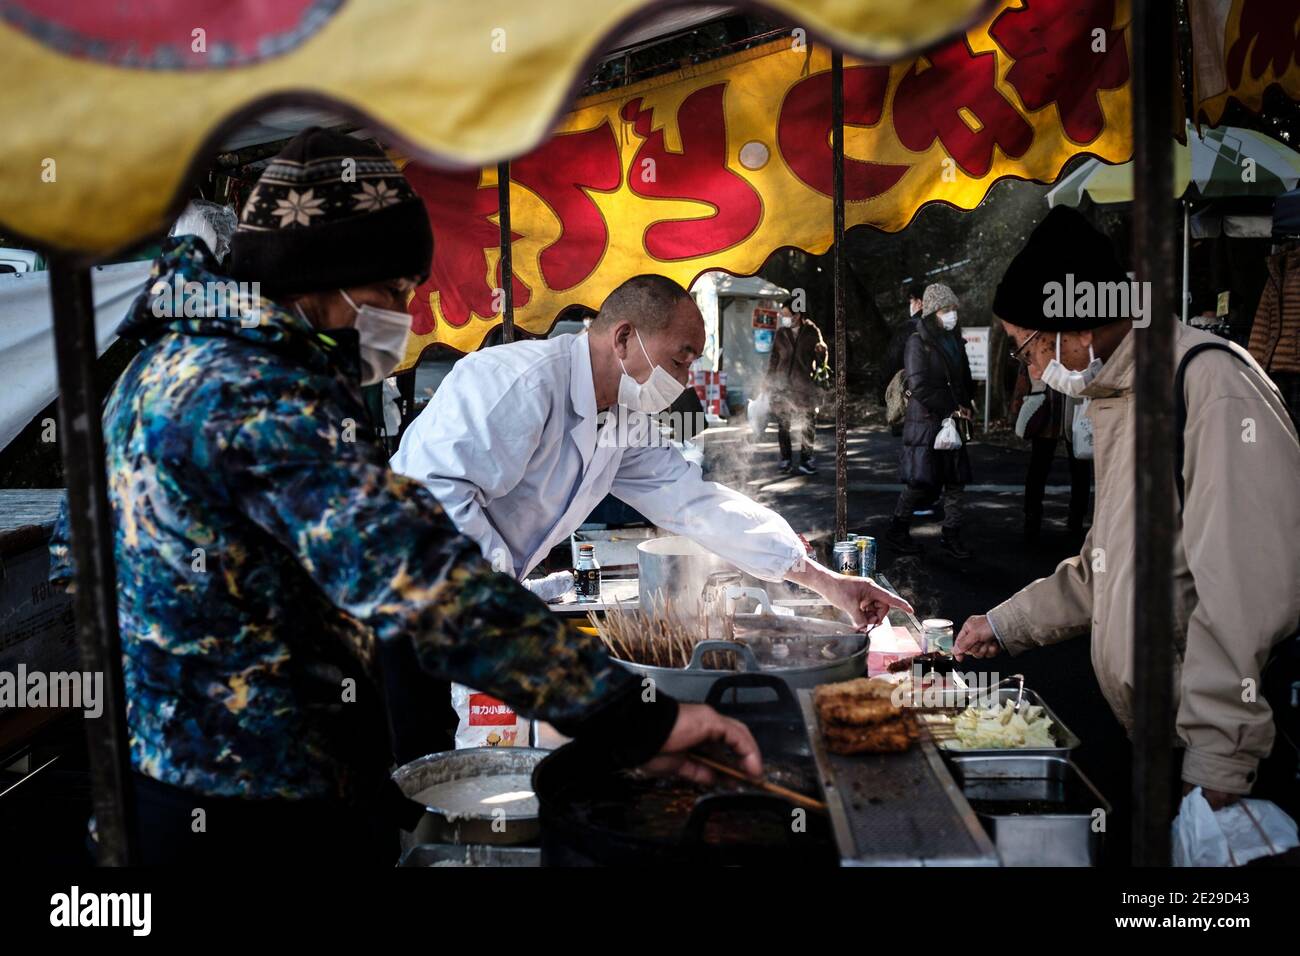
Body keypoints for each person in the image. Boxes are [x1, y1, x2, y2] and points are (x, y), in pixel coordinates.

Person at [48, 128, 761, 866]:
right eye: (391, 293)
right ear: (320, 281)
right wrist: (632, 717)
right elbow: (418, 578)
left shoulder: (158, 368)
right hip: (253, 804)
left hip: (160, 769)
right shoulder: (255, 393)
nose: (404, 317)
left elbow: (77, 560)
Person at [955, 206, 1300, 820]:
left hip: (1214, 762)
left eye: (1025, 348)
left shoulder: (1211, 387)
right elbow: (1103, 567)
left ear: (1076, 326)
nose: (1030, 369)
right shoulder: (1120, 396)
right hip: (1158, 735)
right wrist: (1004, 624)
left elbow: (1246, 591)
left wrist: (1221, 762)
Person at [392, 275, 910, 627]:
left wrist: (825, 582)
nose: (685, 380)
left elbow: (693, 502)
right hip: (405, 601)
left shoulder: (621, 418)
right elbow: (428, 497)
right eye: (681, 360)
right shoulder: (518, 385)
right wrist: (503, 600)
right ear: (623, 339)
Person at [883, 283, 976, 560]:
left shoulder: (954, 339)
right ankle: (898, 529)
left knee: (956, 481)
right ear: (934, 311)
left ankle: (951, 534)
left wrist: (967, 403)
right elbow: (919, 385)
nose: (952, 315)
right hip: (926, 422)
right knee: (921, 481)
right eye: (947, 310)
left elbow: (964, 377)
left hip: (954, 420)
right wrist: (952, 407)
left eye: (954, 310)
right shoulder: (917, 341)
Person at [1009, 362, 1091, 542]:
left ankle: (1075, 519)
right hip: (1046, 413)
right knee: (1040, 468)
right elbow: (1024, 372)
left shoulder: (1078, 342)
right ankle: (1033, 518)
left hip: (1075, 412)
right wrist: (1016, 408)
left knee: (1079, 468)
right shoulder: (1041, 341)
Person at [1247, 188, 1300, 427]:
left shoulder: (1280, 270)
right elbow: (1263, 321)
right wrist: (1253, 366)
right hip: (1276, 368)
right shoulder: (1278, 269)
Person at [767, 304, 826, 474]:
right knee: (783, 424)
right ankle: (786, 459)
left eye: (786, 315)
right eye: (782, 314)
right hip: (783, 385)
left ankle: (806, 460)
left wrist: (822, 352)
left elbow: (822, 359)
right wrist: (768, 380)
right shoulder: (781, 333)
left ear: (797, 315)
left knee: (809, 423)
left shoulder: (811, 331)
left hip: (805, 385)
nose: (783, 318)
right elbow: (774, 358)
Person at [880, 283, 925, 425]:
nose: (910, 305)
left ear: (919, 303)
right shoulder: (944, 327)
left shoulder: (908, 327)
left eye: (911, 301)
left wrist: (883, 392)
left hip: (911, 395)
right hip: (940, 398)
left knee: (915, 439)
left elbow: (891, 361)